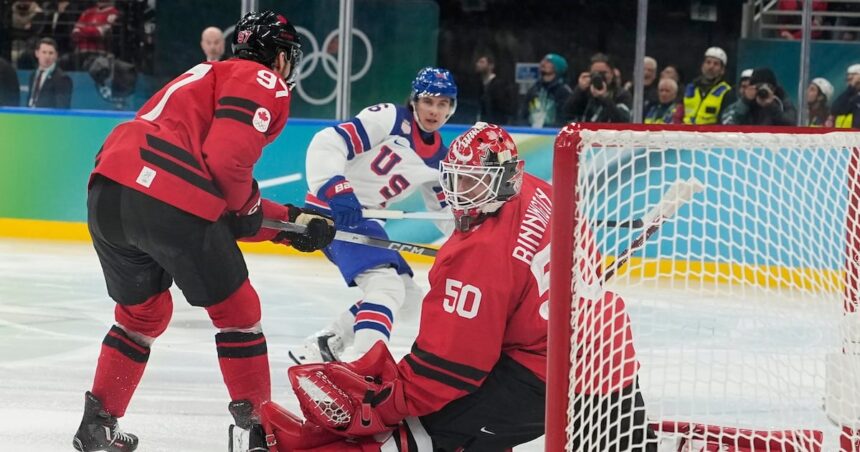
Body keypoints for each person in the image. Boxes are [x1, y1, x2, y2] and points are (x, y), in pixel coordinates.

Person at [258, 122, 656, 452]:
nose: (460, 193)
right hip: (610, 354)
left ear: (505, 178)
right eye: (457, 179)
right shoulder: (539, 189)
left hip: (547, 375)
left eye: (473, 182)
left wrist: (383, 405)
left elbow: (451, 369)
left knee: (418, 435)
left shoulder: (481, 253)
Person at [72, 11, 335, 452]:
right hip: (164, 188)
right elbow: (226, 169)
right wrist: (268, 218)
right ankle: (256, 433)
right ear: (280, 58)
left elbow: (213, 197)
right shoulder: (261, 78)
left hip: (108, 190)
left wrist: (287, 224)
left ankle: (97, 427)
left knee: (142, 315)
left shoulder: (206, 75)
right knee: (239, 312)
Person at [288, 67, 457, 365]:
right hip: (331, 211)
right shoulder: (389, 118)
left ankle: (328, 341)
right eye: (428, 101)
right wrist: (336, 188)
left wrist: (469, 243)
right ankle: (363, 364)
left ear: (451, 109)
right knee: (386, 286)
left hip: (365, 222)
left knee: (408, 299)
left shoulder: (440, 161)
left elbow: (446, 212)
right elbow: (329, 141)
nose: (434, 110)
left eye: (442, 104)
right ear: (414, 101)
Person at [565, 52, 632, 123]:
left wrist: (605, 98)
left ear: (612, 74)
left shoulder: (621, 94)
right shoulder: (585, 93)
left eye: (603, 73)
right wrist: (579, 89)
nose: (600, 76)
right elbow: (567, 113)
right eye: (595, 73)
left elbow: (623, 120)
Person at [721, 67, 796, 126]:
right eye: (759, 86)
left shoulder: (781, 102)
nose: (764, 90)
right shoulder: (746, 103)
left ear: (774, 89)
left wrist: (772, 106)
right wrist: (745, 101)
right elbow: (727, 123)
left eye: (769, 87)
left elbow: (792, 124)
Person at [682, 47, 735, 125]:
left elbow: (725, 122)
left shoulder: (727, 92)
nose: (711, 67)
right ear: (702, 66)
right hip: (684, 130)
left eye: (716, 64)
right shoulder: (690, 88)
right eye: (708, 62)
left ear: (722, 70)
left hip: (709, 131)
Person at [521, 53, 572, 128]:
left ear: (557, 67)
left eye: (548, 61)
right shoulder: (534, 89)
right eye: (543, 60)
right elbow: (524, 112)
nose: (543, 63)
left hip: (553, 132)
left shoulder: (563, 91)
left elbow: (565, 116)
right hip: (531, 131)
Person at [27, 37, 72, 108]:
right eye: (44, 52)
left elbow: (62, 107)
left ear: (56, 55)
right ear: (37, 53)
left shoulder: (62, 78)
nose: (47, 56)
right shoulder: (33, 75)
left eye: (51, 53)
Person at [475, 53, 512, 125]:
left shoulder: (499, 85)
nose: (478, 64)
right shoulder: (479, 84)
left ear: (491, 66)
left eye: (482, 62)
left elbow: (503, 107)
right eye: (478, 62)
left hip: (496, 124)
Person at [829, 64, 860, 129]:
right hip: (846, 134)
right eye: (848, 79)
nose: (849, 83)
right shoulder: (850, 98)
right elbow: (835, 110)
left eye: (851, 79)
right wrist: (851, 88)